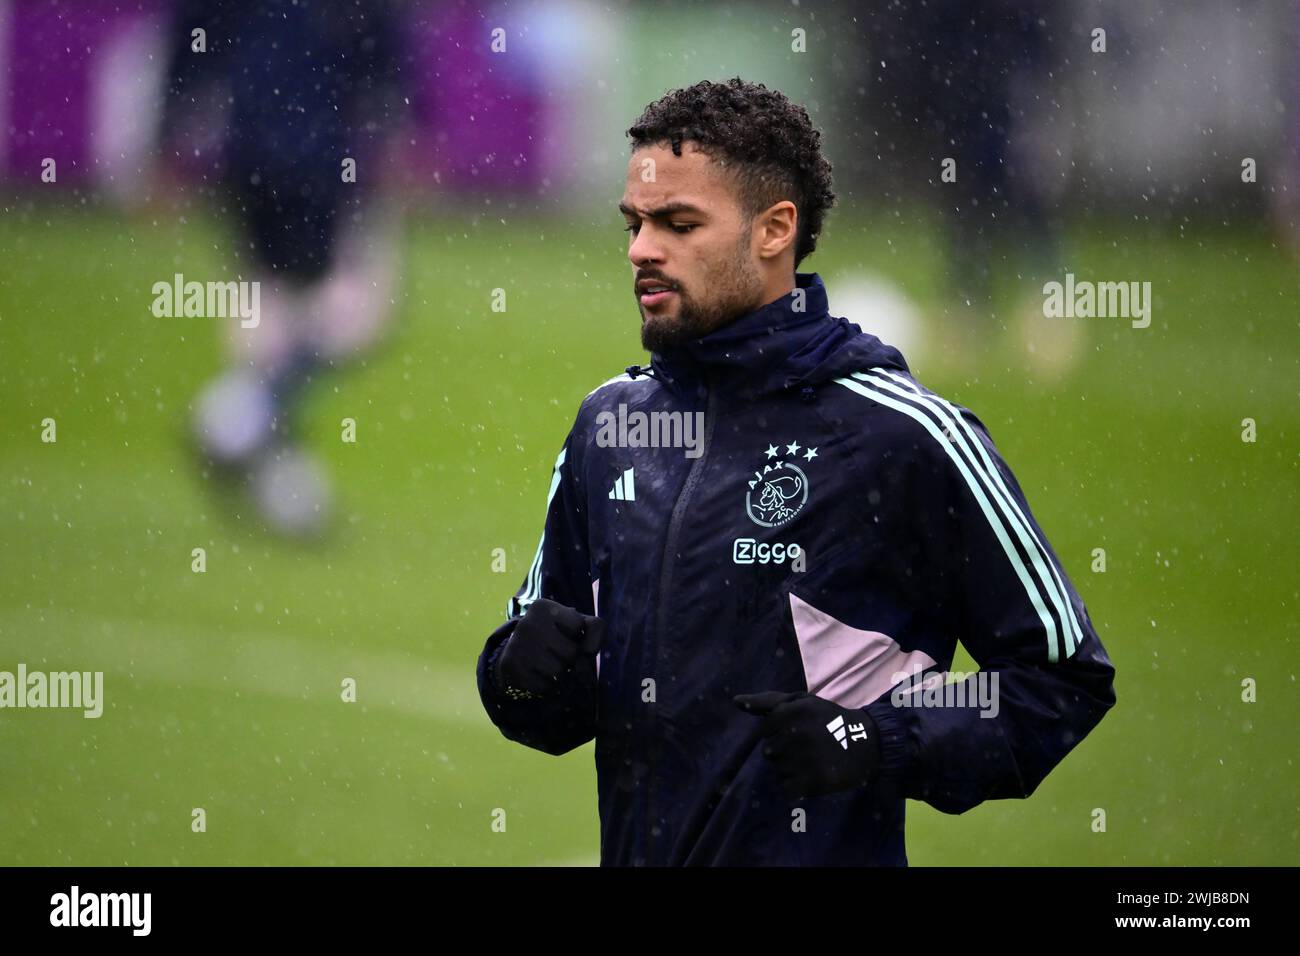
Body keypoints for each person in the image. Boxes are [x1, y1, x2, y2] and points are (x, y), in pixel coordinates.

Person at [475, 78, 1116, 866]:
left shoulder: (905, 436)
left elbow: (1060, 680)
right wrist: (515, 675)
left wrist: (876, 739)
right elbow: (548, 696)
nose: (642, 248)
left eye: (680, 223)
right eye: (635, 223)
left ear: (774, 229)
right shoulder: (611, 424)